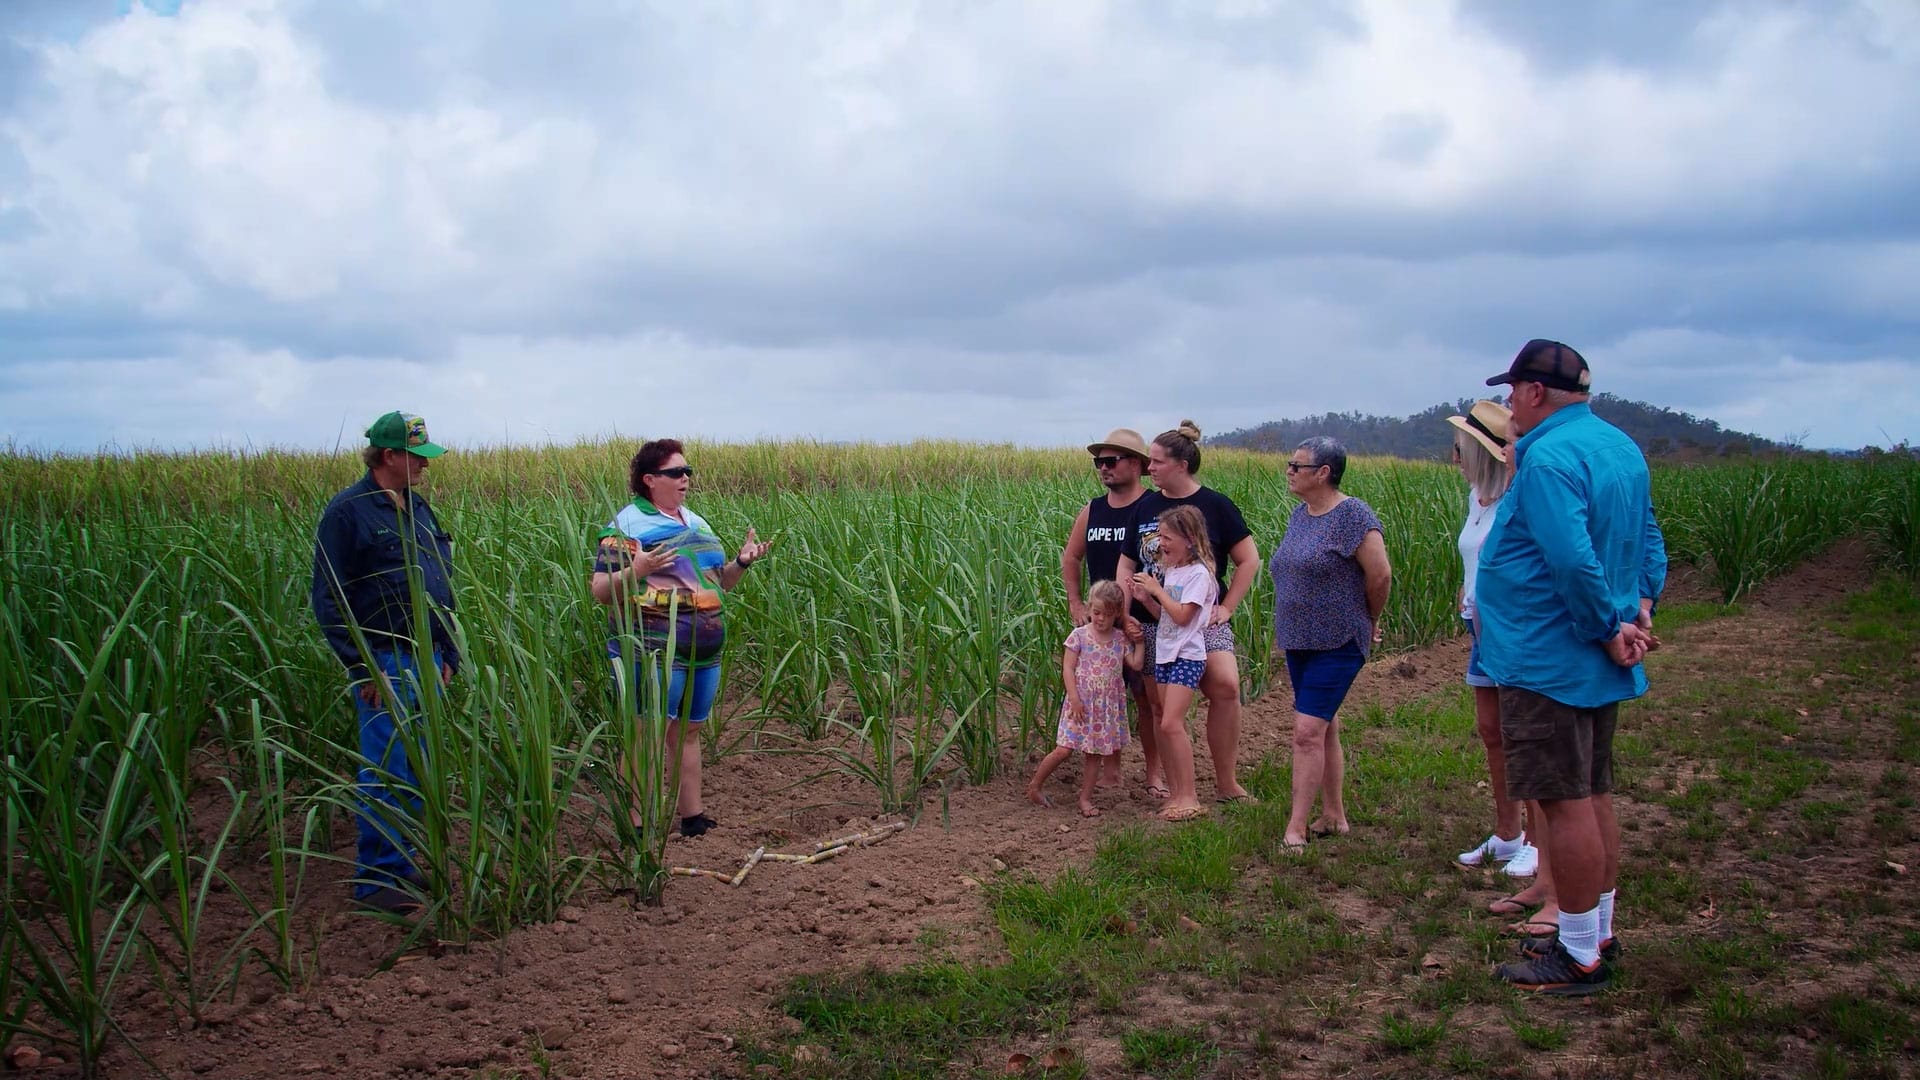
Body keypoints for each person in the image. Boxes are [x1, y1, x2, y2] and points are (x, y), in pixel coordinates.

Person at [1477, 340, 1666, 995]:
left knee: (1563, 802)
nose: (1506, 407)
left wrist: (1607, 629)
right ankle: (1596, 933)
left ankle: (1579, 954)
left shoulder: (1551, 456)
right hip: (1582, 652)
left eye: (1510, 394)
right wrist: (1639, 608)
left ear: (1533, 392)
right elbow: (1647, 539)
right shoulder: (1619, 447)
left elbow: (1572, 559)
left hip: (1548, 655)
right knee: (1592, 792)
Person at [311, 411, 460, 915]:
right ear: (389, 455)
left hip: (429, 657)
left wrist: (449, 653)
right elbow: (329, 599)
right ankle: (376, 880)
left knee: (422, 767)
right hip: (386, 661)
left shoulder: (418, 508)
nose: (424, 466)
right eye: (416, 457)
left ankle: (402, 862)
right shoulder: (348, 513)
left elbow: (438, 582)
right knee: (388, 767)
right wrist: (362, 667)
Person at [589, 439, 772, 839]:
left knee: (688, 731)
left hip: (703, 652)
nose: (686, 479)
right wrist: (636, 569)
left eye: (688, 472)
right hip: (653, 651)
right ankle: (634, 823)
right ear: (650, 480)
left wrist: (741, 562)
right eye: (677, 472)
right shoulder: (627, 526)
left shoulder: (697, 522)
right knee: (646, 732)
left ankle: (693, 816)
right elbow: (601, 590)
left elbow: (718, 582)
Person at [1116, 422, 1259, 806]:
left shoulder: (1216, 505)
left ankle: (1227, 782)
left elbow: (1248, 560)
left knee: (1226, 687)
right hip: (1152, 621)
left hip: (1200, 618)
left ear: (1182, 465)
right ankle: (1180, 789)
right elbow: (1127, 563)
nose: (1150, 468)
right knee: (1162, 706)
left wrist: (1227, 608)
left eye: (1157, 462)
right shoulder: (1144, 506)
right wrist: (1127, 611)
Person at [1269, 436, 1392, 853]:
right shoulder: (1299, 516)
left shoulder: (1353, 514)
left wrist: (1369, 619)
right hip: (1299, 639)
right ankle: (1334, 814)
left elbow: (1380, 575)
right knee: (1324, 725)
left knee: (1306, 731)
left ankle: (1296, 827)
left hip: (1339, 639)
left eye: (1296, 465)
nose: (1289, 470)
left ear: (1324, 473)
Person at [1447, 402, 1547, 895]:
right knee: (1492, 731)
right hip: (1481, 628)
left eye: (1460, 448)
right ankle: (1508, 832)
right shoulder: (1478, 497)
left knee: (1523, 731)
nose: (1454, 457)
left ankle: (1539, 840)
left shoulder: (1518, 498)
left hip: (1515, 629)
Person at [1060, 427, 1162, 794]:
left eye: (1111, 461)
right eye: (1098, 462)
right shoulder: (1093, 510)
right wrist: (1076, 603)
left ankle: (1153, 773)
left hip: (1142, 621)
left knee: (1147, 701)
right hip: (1099, 625)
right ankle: (1107, 773)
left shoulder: (1152, 507)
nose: (1103, 468)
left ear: (1136, 464)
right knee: (1099, 695)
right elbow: (1071, 557)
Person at [1129, 505, 1218, 821]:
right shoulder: (1172, 572)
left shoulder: (1199, 574)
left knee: (1169, 724)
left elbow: (1183, 616)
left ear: (1190, 539)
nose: (1161, 544)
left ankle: (1190, 797)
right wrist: (1146, 600)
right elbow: (1167, 617)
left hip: (1186, 656)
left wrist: (1155, 589)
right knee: (1167, 725)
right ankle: (1179, 794)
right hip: (1166, 653)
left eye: (1167, 537)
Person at [1026, 580, 1145, 817]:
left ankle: (1085, 798)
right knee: (1064, 750)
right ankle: (1035, 786)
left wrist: (1140, 643)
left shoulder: (1120, 639)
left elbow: (1135, 664)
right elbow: (1068, 668)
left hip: (1105, 707)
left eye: (1107, 615)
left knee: (1095, 755)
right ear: (1090, 609)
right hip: (1079, 704)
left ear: (1117, 615)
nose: (1100, 619)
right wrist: (1074, 698)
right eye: (1096, 612)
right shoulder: (1079, 636)